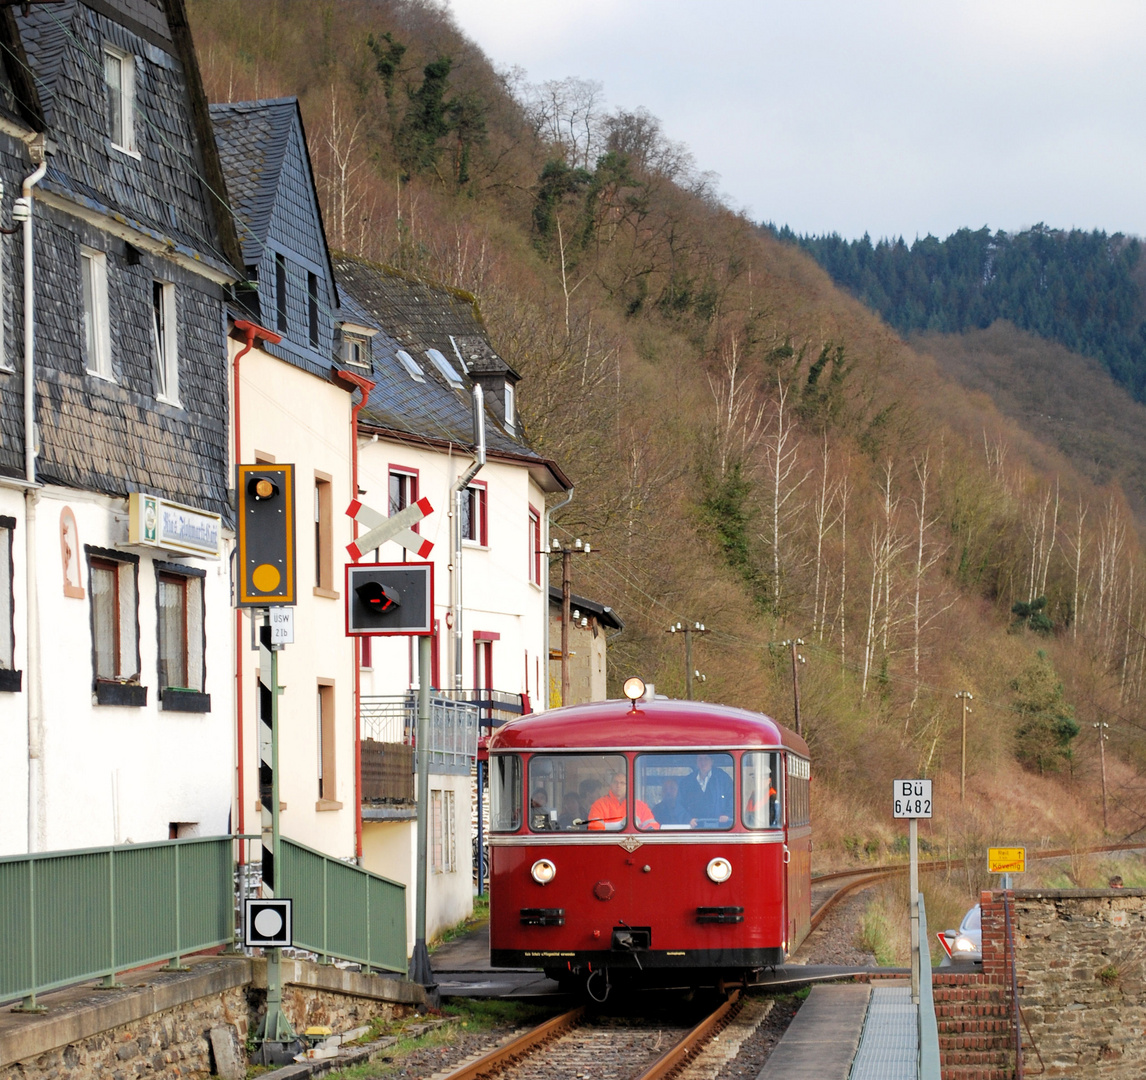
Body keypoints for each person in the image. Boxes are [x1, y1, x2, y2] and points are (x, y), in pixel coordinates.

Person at [588, 772, 656, 831]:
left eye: (622, 783)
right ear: (611, 785)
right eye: (615, 782)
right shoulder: (599, 804)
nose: (618, 785)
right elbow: (595, 828)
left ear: (628, 785)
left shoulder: (640, 806)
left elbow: (652, 825)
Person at [684, 753, 734, 827]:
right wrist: (687, 819)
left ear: (712, 761)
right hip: (695, 829)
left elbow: (734, 798)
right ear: (696, 762)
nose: (703, 762)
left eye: (706, 759)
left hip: (722, 828)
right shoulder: (688, 781)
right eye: (700, 759)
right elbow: (680, 803)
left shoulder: (723, 778)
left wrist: (728, 814)